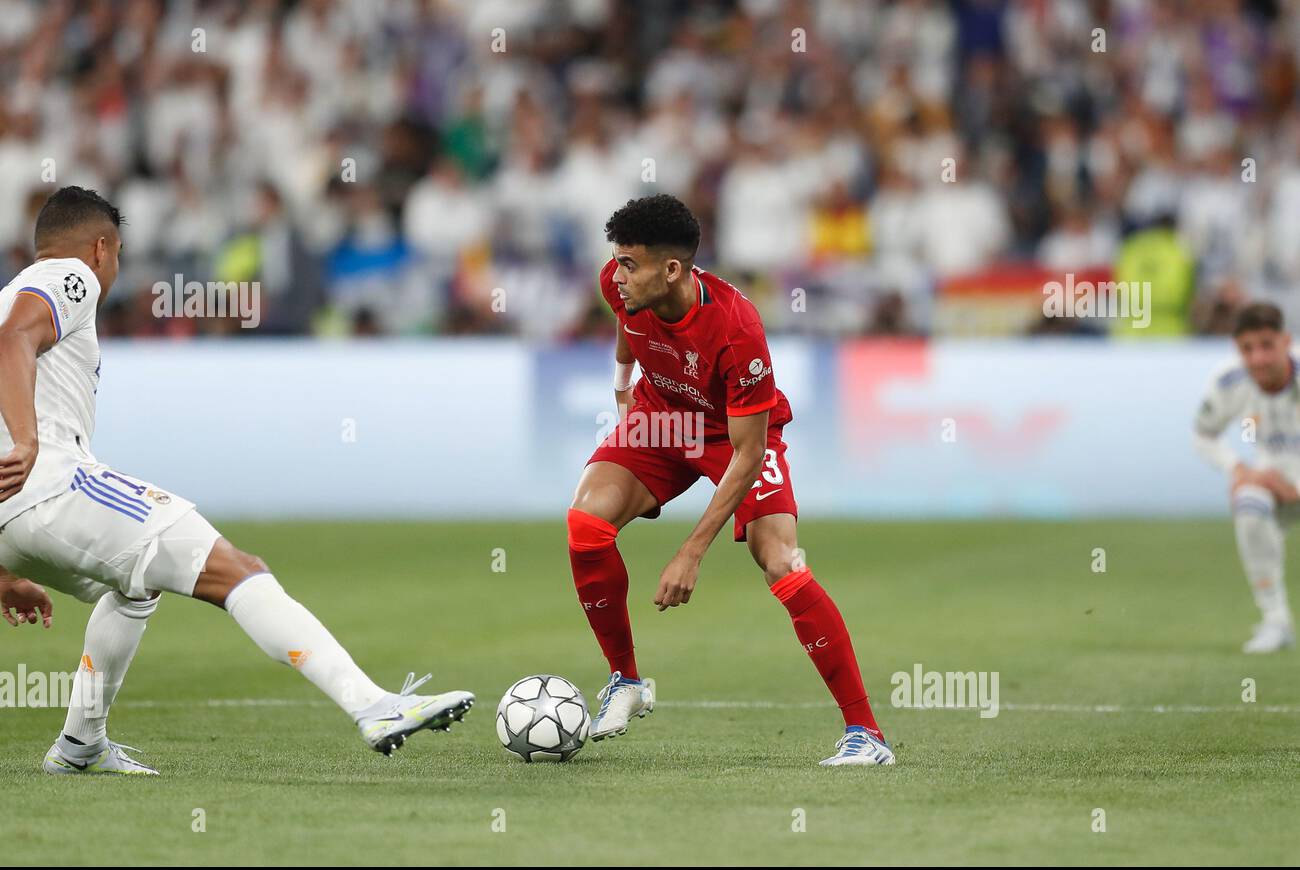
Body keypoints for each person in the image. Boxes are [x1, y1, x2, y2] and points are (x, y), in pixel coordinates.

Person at [0, 186, 473, 775]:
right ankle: (372, 704)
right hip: (54, 484)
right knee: (237, 568)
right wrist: (27, 439)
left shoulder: (10, 294)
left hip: (13, 518)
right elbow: (15, 338)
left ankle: (79, 744)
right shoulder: (71, 276)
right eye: (117, 255)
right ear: (101, 249)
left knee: (135, 587)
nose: (114, 269)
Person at [567, 195, 894, 766]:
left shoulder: (737, 329)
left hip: (734, 437)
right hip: (662, 418)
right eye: (616, 261)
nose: (616, 276)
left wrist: (691, 552)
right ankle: (626, 681)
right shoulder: (620, 286)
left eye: (629, 265)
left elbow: (747, 453)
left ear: (672, 270)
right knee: (585, 523)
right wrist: (623, 397)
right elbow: (627, 334)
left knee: (781, 561)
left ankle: (866, 734)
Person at [1194, 301, 1300, 653]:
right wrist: (1238, 469)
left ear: (1286, 341)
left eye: (1267, 345)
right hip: (1274, 482)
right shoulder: (1229, 381)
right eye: (1247, 349)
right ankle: (1276, 620)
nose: (1258, 359)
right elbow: (1203, 434)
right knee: (1249, 501)